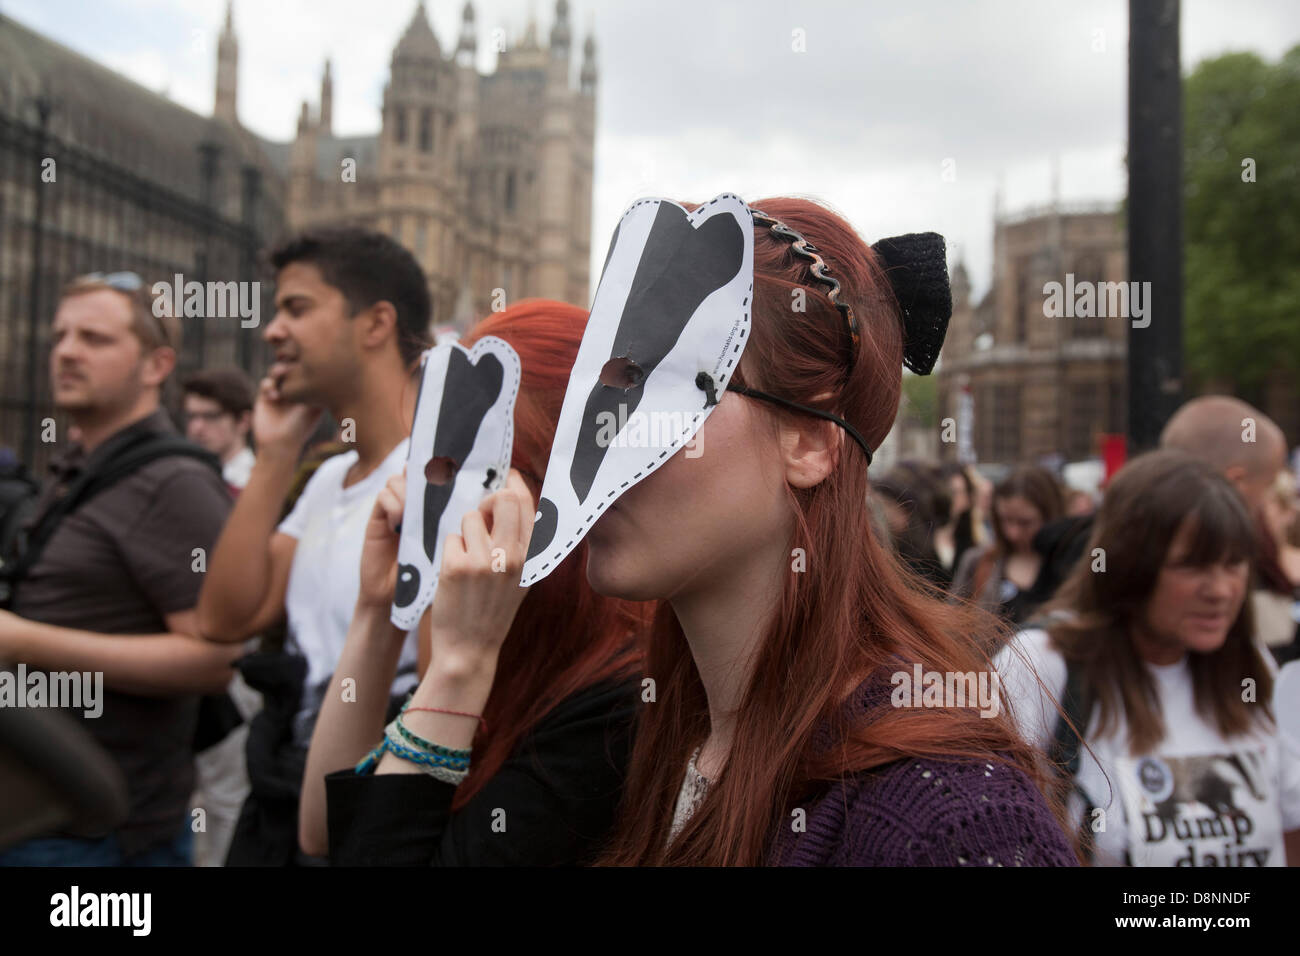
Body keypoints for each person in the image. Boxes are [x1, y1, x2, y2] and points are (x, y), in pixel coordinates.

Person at [528, 195, 1078, 865]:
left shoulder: (956, 823)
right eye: (599, 385)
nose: (599, 435)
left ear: (812, 444)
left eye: (653, 382)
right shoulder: (667, 741)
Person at [303, 301, 653, 864]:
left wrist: (459, 665)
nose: (433, 496)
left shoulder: (617, 708)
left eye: (468, 469)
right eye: (426, 462)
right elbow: (323, 832)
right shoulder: (495, 636)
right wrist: (380, 615)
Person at [196, 228, 432, 865]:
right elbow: (226, 618)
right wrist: (275, 455)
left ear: (376, 323)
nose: (273, 330)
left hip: (368, 812)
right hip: (281, 800)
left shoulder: (436, 479)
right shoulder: (329, 477)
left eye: (297, 309)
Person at [0, 272, 239, 866]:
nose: (67, 351)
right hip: (38, 808)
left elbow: (213, 660)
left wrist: (23, 639)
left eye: (95, 339)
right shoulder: (80, 466)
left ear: (157, 365)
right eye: (61, 336)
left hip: (99, 832)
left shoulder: (175, 483)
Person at [996, 450, 1300, 867]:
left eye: (1234, 565)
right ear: (1128, 565)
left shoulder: (1250, 664)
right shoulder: (1043, 664)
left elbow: (1289, 829)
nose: (1221, 590)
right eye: (1191, 566)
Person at [952, 465, 1065, 629]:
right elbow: (952, 628)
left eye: (1025, 522)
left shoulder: (1071, 566)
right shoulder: (979, 562)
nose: (1013, 533)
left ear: (1050, 516)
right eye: (1005, 520)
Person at [182, 368, 257, 492]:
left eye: (211, 416)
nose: (197, 427)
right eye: (191, 416)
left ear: (244, 422)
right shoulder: (179, 478)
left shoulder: (256, 485)